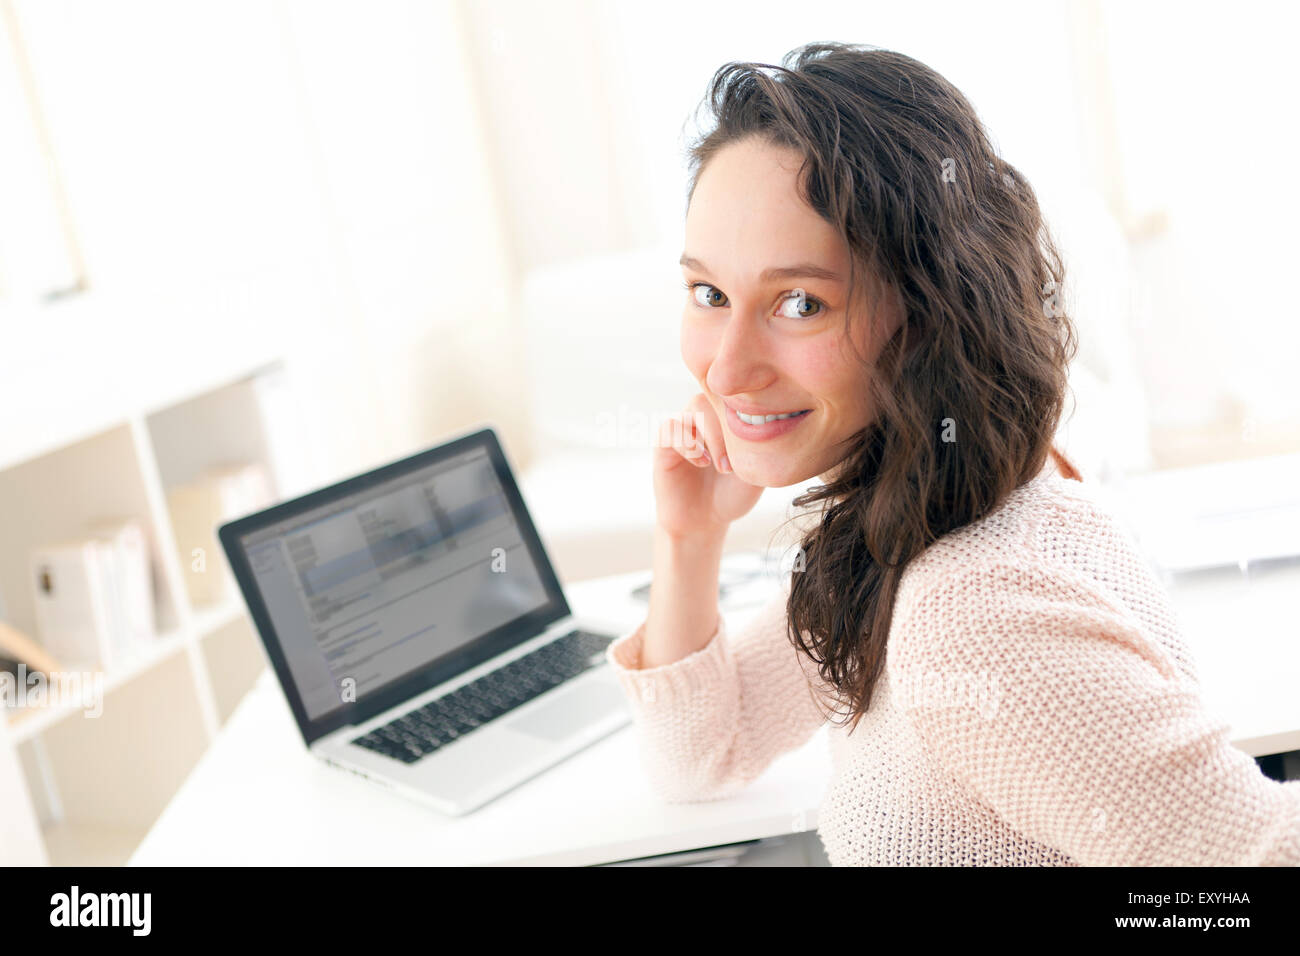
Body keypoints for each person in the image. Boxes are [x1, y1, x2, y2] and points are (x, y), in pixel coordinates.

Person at [604, 42, 1300, 866]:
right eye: (710, 294)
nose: (725, 368)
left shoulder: (971, 612)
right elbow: (699, 758)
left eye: (800, 302)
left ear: (928, 312)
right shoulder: (906, 519)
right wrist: (688, 537)